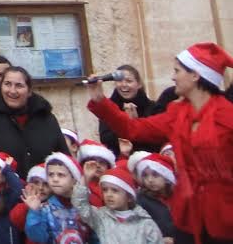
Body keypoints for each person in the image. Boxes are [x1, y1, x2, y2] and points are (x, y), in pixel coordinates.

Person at [87, 42, 233, 244]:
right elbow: (133, 129)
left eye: (177, 71)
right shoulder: (177, 113)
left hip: (225, 218)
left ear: (196, 75)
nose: (173, 77)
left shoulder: (228, 116)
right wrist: (99, 99)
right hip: (188, 217)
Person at [0, 66, 67, 209]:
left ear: (29, 91)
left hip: (44, 203)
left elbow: (62, 157)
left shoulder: (45, 118)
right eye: (7, 84)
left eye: (19, 86)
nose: (12, 91)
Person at [71, 167, 161, 244]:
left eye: (115, 190)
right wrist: (85, 179)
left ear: (129, 197)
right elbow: (80, 206)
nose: (109, 194)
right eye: (105, 190)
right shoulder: (101, 217)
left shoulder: (144, 222)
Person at [96, 68, 161, 157]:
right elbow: (105, 138)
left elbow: (157, 138)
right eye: (119, 81)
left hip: (148, 159)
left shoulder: (153, 107)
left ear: (139, 84)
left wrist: (136, 122)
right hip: (118, 160)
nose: (124, 85)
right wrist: (125, 123)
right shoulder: (109, 107)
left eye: (129, 81)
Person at [22, 152, 83, 244]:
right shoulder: (45, 209)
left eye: (61, 175)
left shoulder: (84, 206)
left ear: (74, 180)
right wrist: (34, 212)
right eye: (50, 175)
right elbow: (38, 238)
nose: (55, 179)